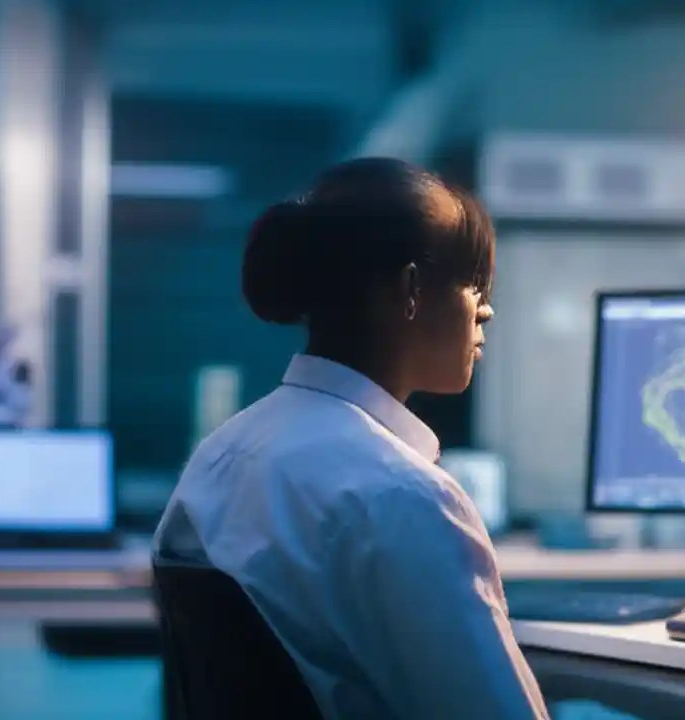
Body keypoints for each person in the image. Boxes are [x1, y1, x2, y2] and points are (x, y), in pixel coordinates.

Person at [154, 158, 549, 719]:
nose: (486, 308)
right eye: (473, 284)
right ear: (412, 289)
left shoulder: (219, 457)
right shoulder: (403, 496)